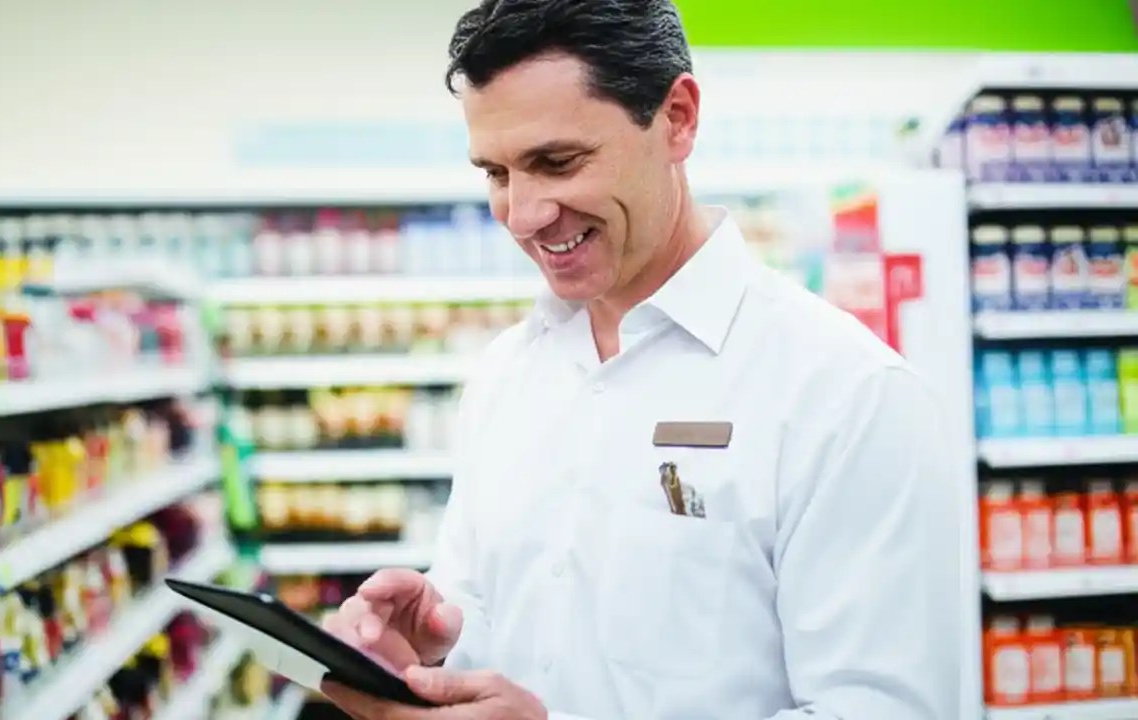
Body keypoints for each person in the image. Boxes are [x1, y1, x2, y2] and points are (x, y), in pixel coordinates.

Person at [321, 1, 960, 718]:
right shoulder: (506, 376)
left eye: (557, 162)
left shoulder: (846, 395)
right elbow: (500, 615)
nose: (524, 214)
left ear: (678, 119)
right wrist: (432, 648)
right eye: (497, 174)